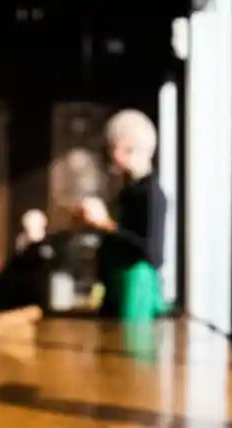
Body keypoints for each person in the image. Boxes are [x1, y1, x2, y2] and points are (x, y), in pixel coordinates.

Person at [77, 109, 167, 321]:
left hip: (135, 293)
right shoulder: (129, 191)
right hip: (120, 289)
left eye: (113, 148)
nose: (110, 157)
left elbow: (150, 250)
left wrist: (105, 223)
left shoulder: (150, 194)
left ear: (128, 149)